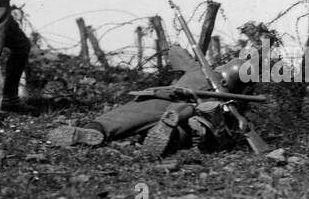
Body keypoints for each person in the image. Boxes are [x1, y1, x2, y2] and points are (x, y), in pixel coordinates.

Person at [73, 55, 255, 157]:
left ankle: (94, 130)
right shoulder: (228, 101)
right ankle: (169, 131)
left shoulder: (197, 69)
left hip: (161, 97)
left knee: (123, 116)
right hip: (188, 113)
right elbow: (227, 135)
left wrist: (190, 56)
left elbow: (174, 52)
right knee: (184, 132)